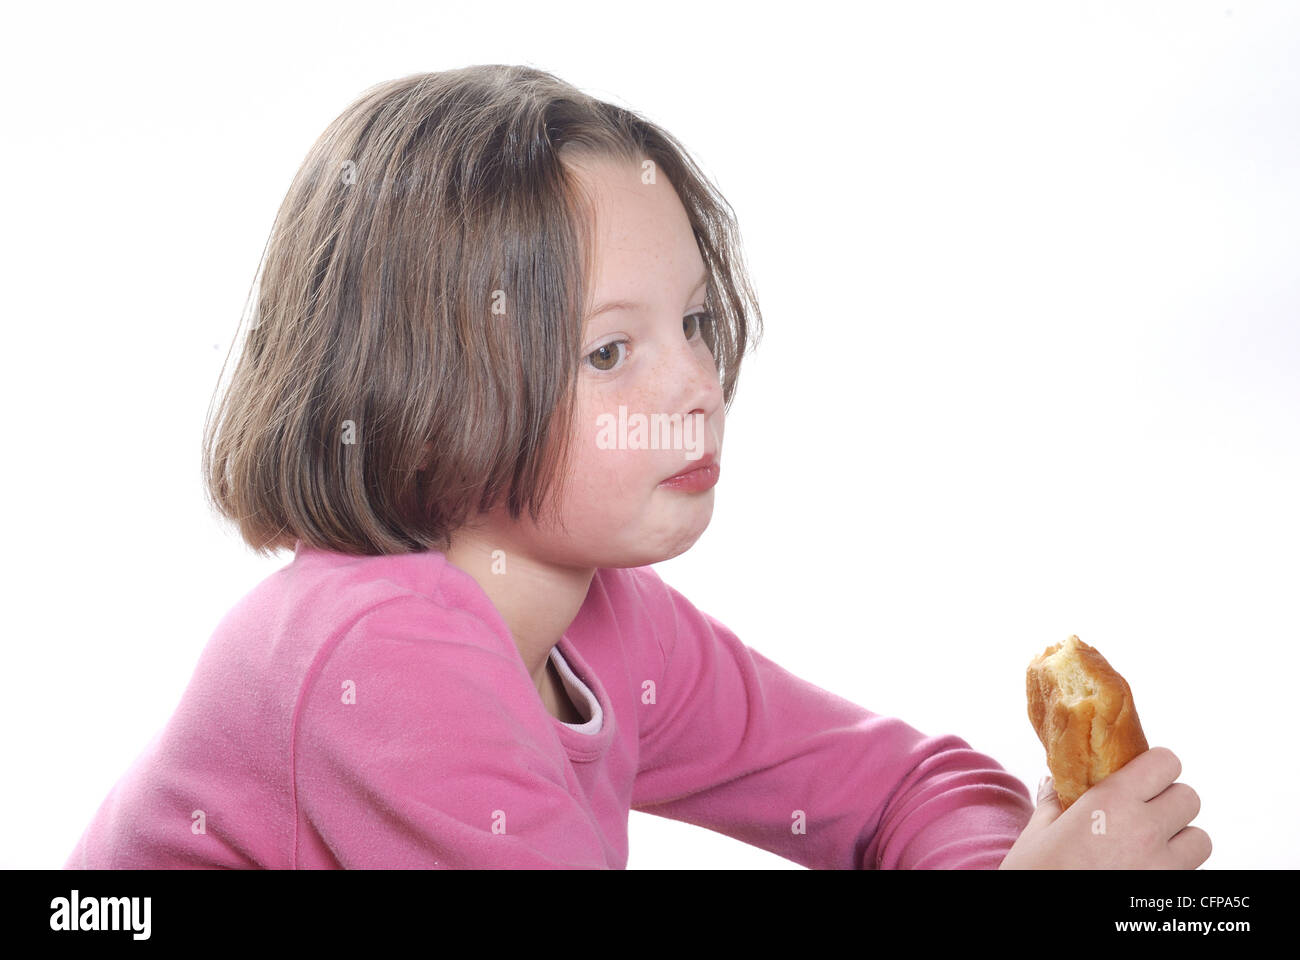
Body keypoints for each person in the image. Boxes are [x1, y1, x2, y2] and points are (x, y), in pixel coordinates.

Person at [63, 64, 1209, 869]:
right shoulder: (384, 652)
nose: (697, 386)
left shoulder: (612, 628)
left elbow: (902, 789)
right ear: (420, 393)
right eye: (611, 350)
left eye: (699, 324)